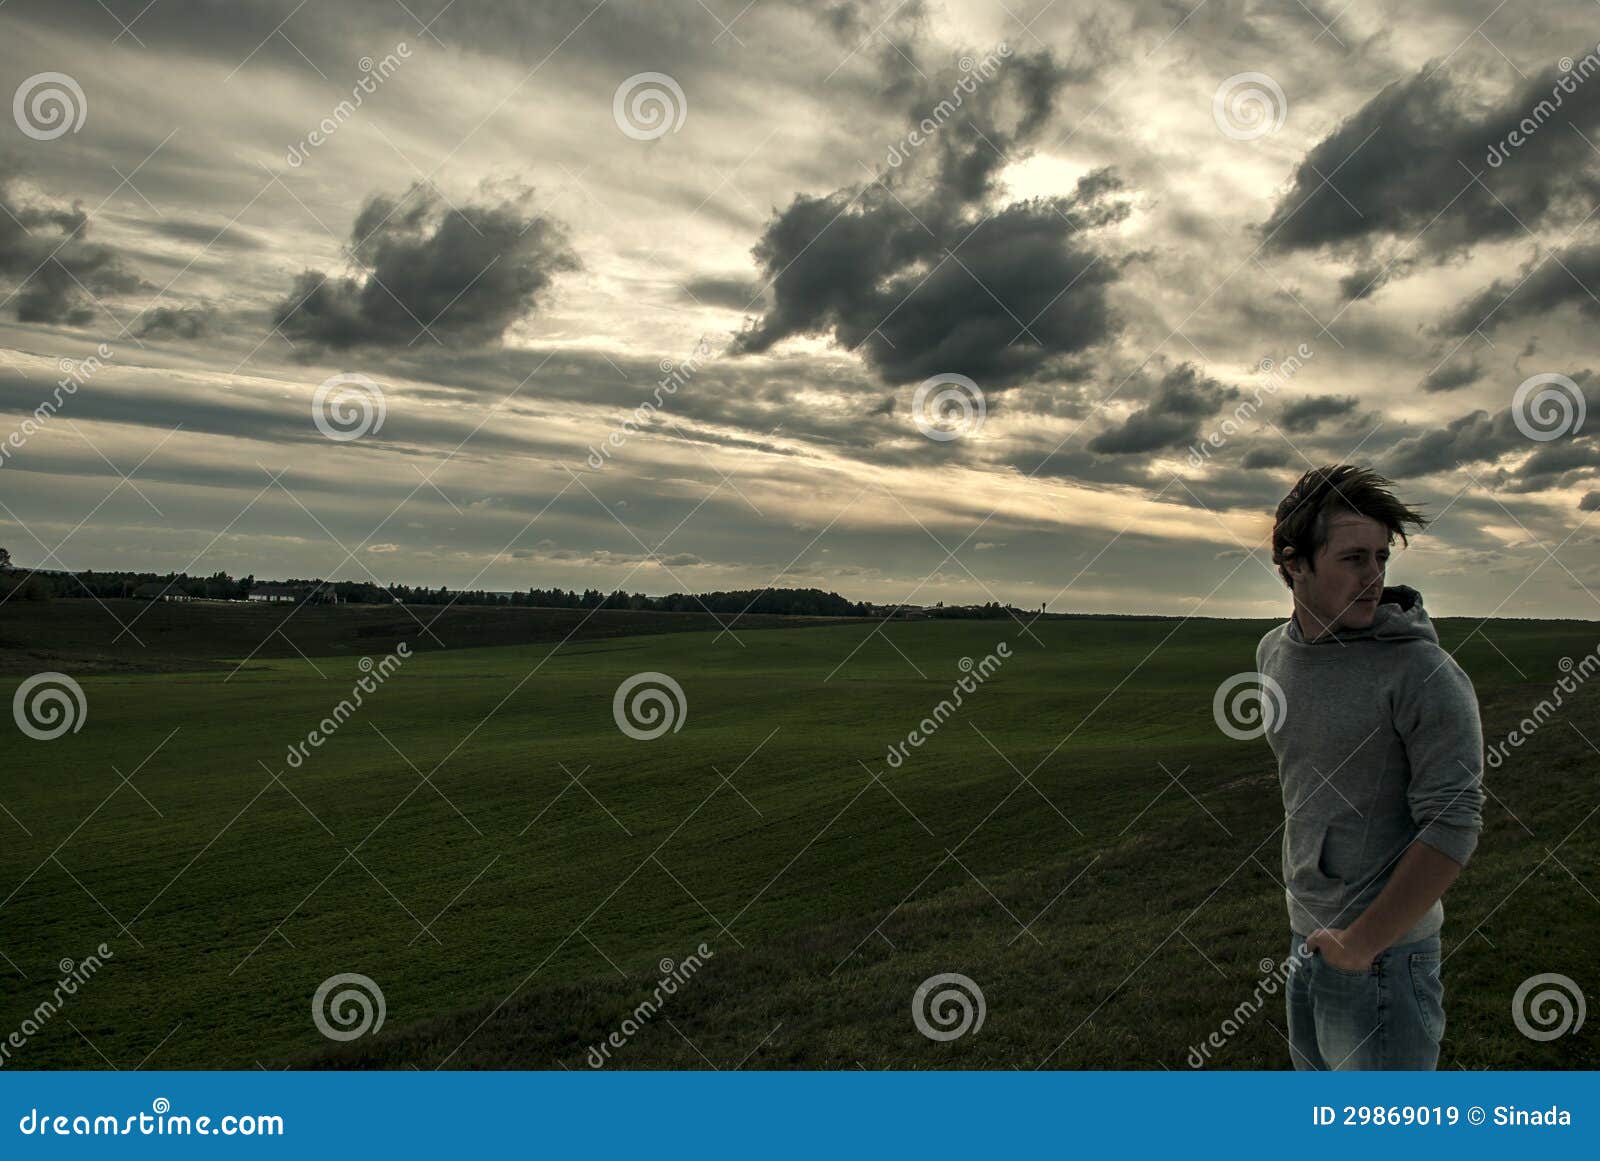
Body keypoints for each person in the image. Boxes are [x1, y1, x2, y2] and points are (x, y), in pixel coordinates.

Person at [1255, 463, 1485, 1069]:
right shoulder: (1273, 653)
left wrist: (1363, 943)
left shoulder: (1422, 673)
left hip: (1385, 958)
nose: (1374, 577)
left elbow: (1454, 821)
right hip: (1306, 938)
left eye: (1381, 557)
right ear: (1293, 562)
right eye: (1354, 558)